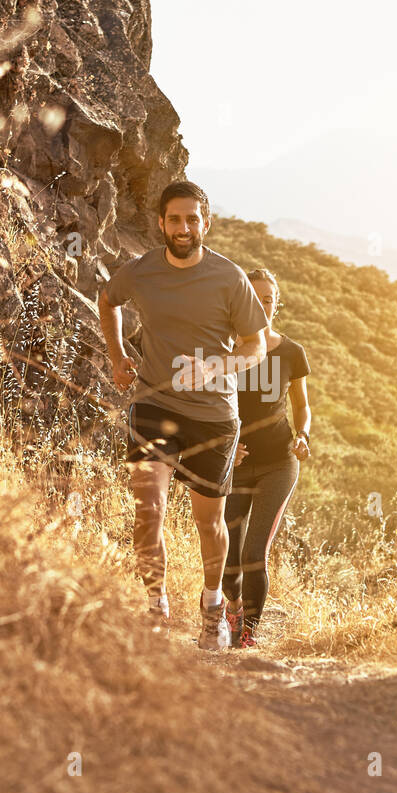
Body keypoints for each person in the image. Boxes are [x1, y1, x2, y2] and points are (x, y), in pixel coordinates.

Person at [97, 181, 270, 650]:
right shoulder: (142, 271)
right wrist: (117, 355)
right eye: (174, 219)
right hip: (153, 403)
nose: (183, 227)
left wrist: (218, 366)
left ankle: (213, 603)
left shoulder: (229, 278)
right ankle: (156, 606)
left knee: (207, 522)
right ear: (161, 223)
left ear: (205, 223)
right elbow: (108, 299)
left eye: (192, 218)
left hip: (213, 416)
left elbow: (256, 346)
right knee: (148, 508)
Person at [221, 269, 311, 648]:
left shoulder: (292, 353)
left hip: (279, 462)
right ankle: (234, 607)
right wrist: (225, 446)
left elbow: (302, 406)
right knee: (228, 553)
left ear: (277, 304)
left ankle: (248, 634)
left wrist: (303, 435)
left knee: (255, 552)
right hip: (235, 462)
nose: (262, 305)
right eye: (254, 298)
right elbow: (210, 406)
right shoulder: (225, 350)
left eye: (269, 299)